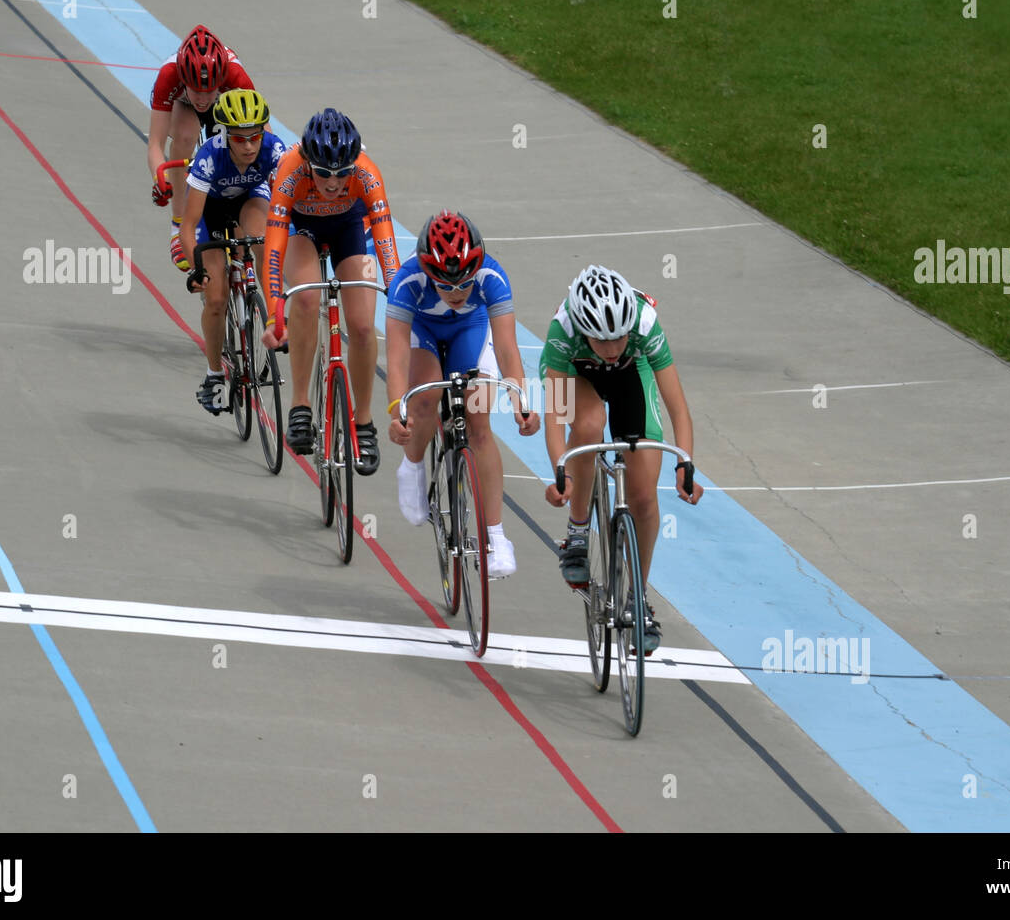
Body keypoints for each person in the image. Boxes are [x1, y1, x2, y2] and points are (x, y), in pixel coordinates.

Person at [539, 265, 704, 654]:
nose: (612, 348)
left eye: (619, 337)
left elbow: (677, 407)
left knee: (644, 496)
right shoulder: (562, 331)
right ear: (583, 330)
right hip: (578, 375)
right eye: (602, 340)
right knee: (590, 424)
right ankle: (578, 533)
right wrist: (562, 477)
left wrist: (685, 464)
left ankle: (638, 598)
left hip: (633, 375)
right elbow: (554, 418)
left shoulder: (645, 323)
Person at [385, 211, 540, 577]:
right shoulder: (406, 282)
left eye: (463, 285)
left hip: (471, 329)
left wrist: (521, 402)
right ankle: (412, 464)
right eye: (445, 285)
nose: (456, 293)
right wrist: (397, 412)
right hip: (422, 331)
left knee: (478, 419)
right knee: (424, 397)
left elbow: (506, 350)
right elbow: (396, 357)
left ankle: (497, 537)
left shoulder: (492, 276)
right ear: (427, 272)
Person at [261, 108, 399, 476]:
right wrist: (277, 311)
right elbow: (272, 251)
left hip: (349, 227)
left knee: (364, 326)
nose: (334, 183)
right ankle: (301, 406)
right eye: (324, 173)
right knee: (305, 297)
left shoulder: (367, 173)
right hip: (300, 229)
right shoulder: (290, 170)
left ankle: (364, 421)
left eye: (343, 173)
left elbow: (386, 244)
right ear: (308, 163)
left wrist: (400, 294)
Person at [175, 90, 286, 413]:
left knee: (263, 240)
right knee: (216, 297)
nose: (249, 146)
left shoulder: (274, 149)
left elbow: (284, 206)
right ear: (225, 134)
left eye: (254, 137)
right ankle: (213, 376)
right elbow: (188, 223)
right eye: (240, 139)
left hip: (249, 199)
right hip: (209, 211)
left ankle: (275, 319)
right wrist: (197, 268)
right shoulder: (210, 156)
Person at [147, 25, 256, 272]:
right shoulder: (169, 75)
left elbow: (262, 132)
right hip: (181, 104)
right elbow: (155, 143)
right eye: (197, 90)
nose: (204, 98)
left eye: (209, 91)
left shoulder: (235, 76)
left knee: (238, 144)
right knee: (185, 136)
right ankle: (178, 223)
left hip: (225, 101)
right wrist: (160, 179)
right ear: (184, 80)